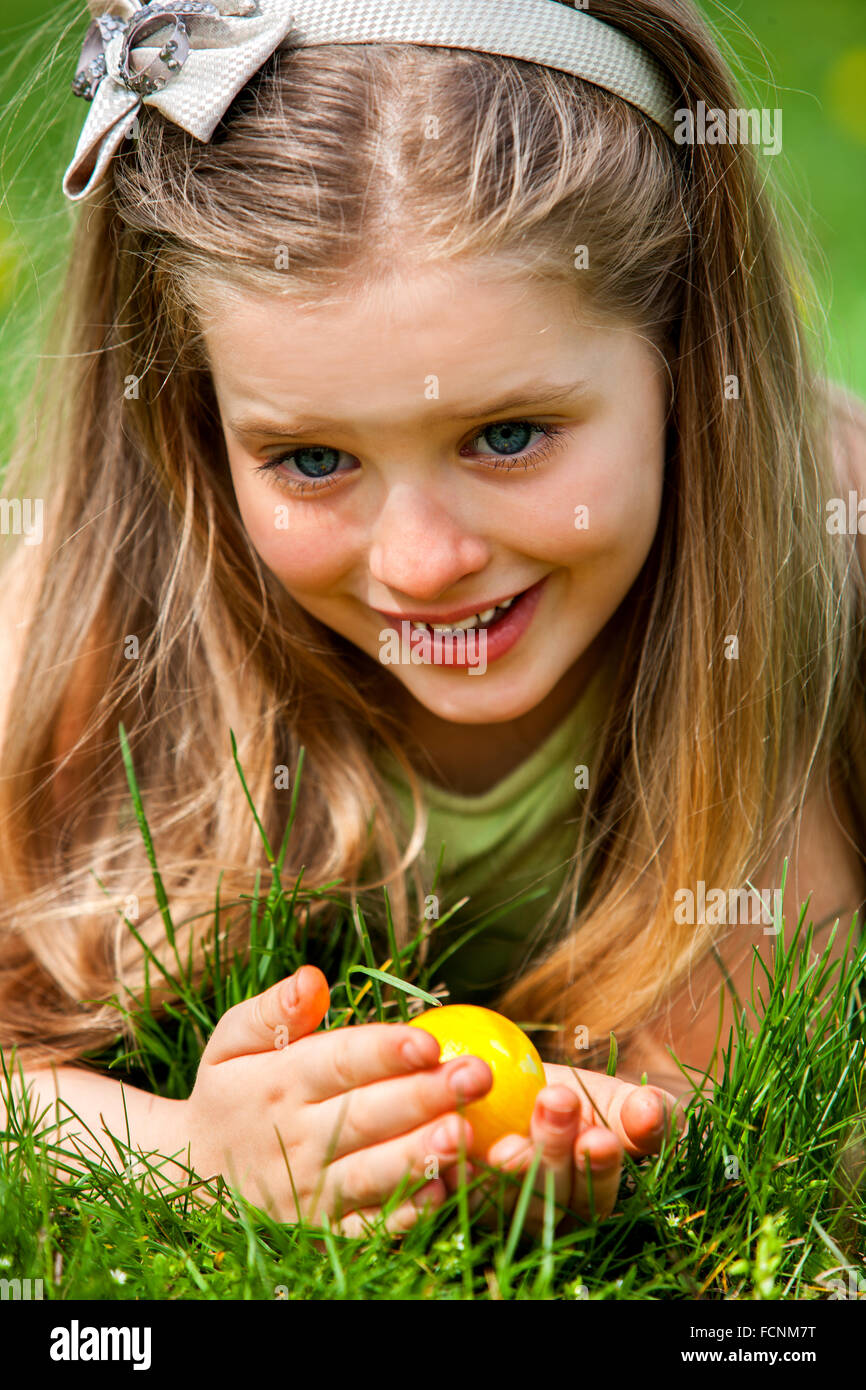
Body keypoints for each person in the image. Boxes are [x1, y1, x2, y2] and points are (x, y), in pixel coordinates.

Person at [1, 0, 864, 1239]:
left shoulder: (831, 573)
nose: (422, 563)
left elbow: (773, 1104)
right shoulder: (72, 636)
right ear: (195, 424)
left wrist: (646, 1147)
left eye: (507, 436)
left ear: (685, 354)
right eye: (308, 459)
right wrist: (185, 1147)